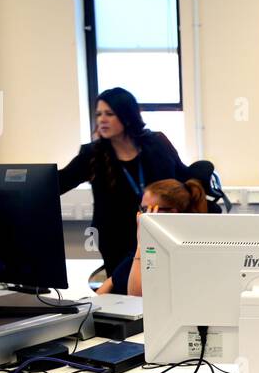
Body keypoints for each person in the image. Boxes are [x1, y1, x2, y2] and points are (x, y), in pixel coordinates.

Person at [59, 87, 189, 275]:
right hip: (115, 240)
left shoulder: (157, 144)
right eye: (99, 114)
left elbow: (183, 177)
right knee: (125, 295)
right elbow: (60, 182)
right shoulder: (92, 155)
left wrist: (204, 171)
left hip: (161, 234)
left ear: (127, 116)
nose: (102, 119)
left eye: (109, 114)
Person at [96, 178, 207, 297]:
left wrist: (142, 244)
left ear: (173, 213)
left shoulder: (176, 255)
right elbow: (112, 281)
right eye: (141, 209)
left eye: (147, 210)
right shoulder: (146, 245)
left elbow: (136, 297)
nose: (140, 215)